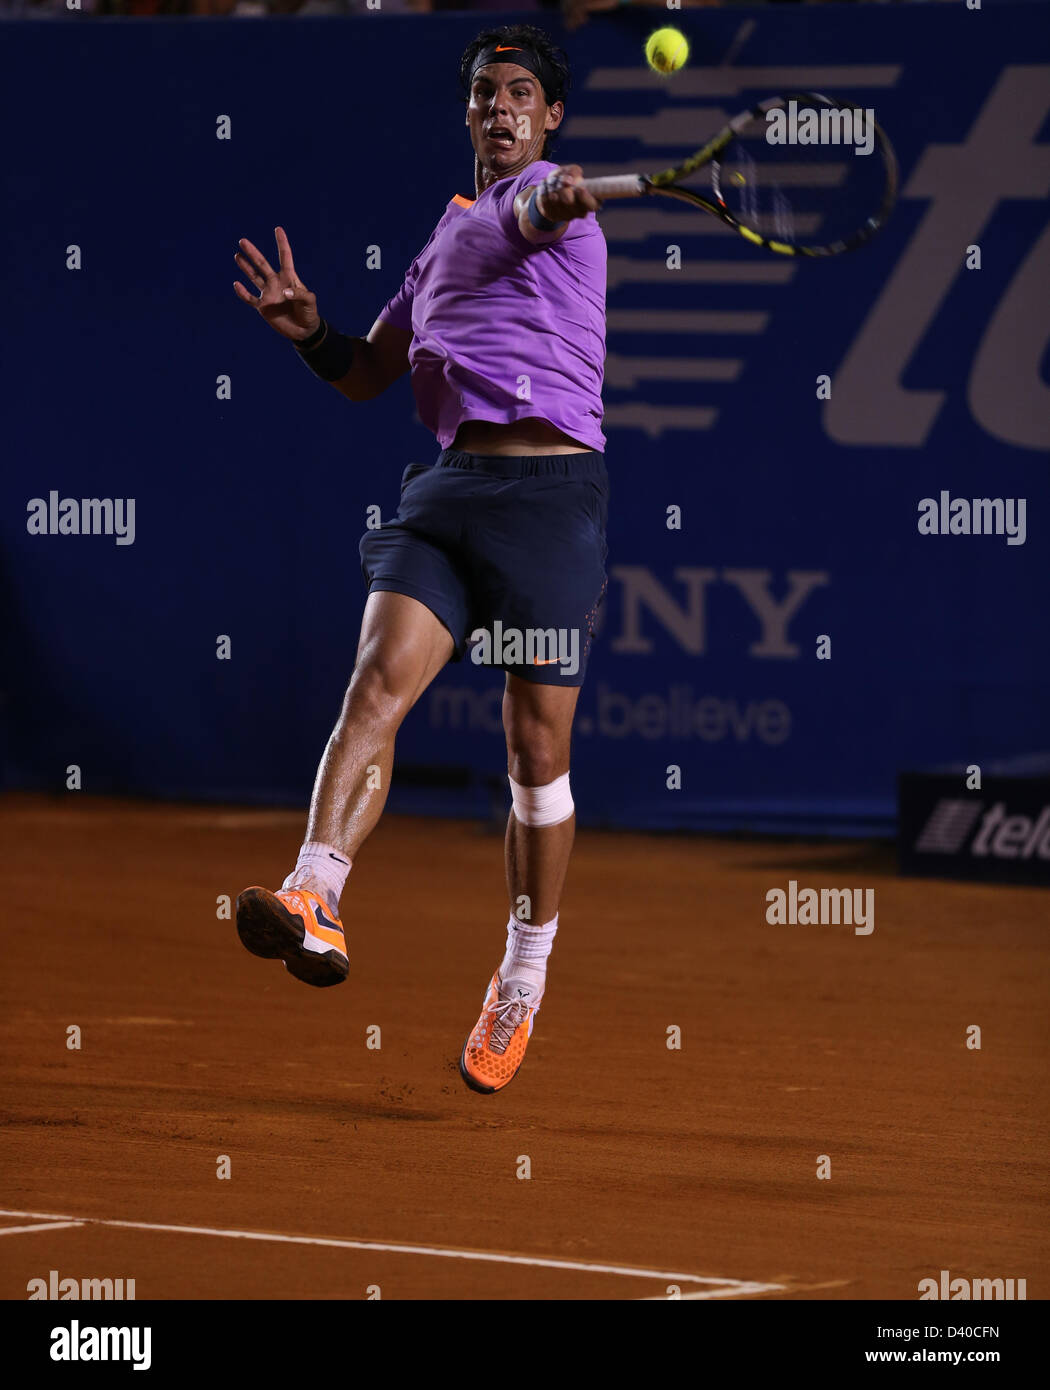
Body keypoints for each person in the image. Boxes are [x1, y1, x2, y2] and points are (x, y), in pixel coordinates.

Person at [231, 23, 607, 1094]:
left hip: (550, 501)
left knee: (536, 756)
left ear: (551, 116)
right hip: (446, 493)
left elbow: (539, 208)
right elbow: (369, 372)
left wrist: (561, 195)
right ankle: (316, 892)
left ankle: (522, 974)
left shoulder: (554, 216)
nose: (499, 107)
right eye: (485, 93)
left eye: (521, 92)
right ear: (470, 113)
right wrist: (311, 333)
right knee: (374, 686)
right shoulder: (441, 243)